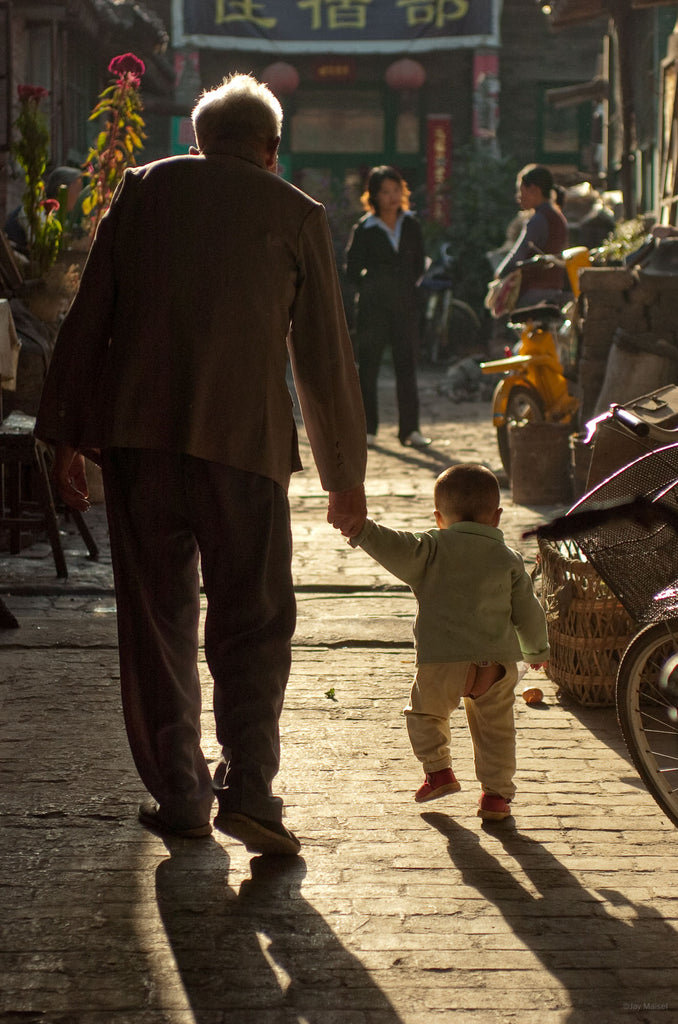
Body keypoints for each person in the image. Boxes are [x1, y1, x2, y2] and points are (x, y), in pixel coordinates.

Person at [34, 74, 367, 855]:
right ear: (271, 149)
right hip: (245, 451)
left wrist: (66, 441)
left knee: (157, 624)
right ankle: (250, 789)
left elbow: (90, 317)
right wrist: (342, 477)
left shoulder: (144, 190)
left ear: (197, 140)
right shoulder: (296, 213)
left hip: (141, 443)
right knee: (253, 622)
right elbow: (323, 353)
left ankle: (181, 793)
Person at [341, 463, 549, 820]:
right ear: (496, 516)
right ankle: (496, 798)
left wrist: (362, 531)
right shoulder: (509, 559)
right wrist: (536, 651)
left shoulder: (431, 548)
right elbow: (528, 611)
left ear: (438, 517)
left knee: (424, 714)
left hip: (443, 661)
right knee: (497, 733)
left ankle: (438, 771)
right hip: (495, 665)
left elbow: (393, 545)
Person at [345, 165, 430, 449]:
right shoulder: (365, 229)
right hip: (373, 308)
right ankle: (368, 429)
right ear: (374, 196)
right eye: (385, 192)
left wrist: (403, 286)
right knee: (368, 368)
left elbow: (419, 264)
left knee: (406, 367)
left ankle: (410, 430)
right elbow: (352, 270)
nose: (392, 197)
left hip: (405, 305)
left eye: (396, 190)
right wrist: (376, 286)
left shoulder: (411, 225)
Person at [495, 163, 569, 306]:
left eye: (521, 191)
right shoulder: (558, 217)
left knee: (500, 308)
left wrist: (500, 273)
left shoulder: (538, 219)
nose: (519, 197)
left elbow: (517, 255)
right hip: (555, 288)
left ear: (534, 190)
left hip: (533, 292)